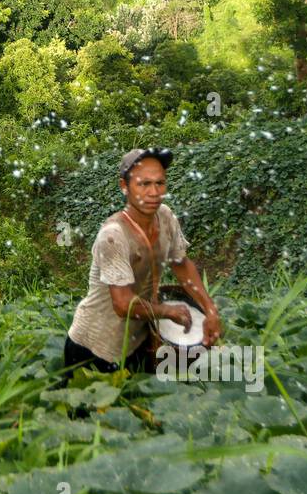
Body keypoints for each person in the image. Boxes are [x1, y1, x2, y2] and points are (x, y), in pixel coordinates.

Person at [62, 148, 223, 381]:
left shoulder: (165, 216)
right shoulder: (114, 236)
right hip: (95, 347)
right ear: (124, 187)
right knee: (87, 413)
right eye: (143, 184)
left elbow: (181, 264)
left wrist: (210, 310)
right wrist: (167, 312)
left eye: (160, 183)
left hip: (136, 340)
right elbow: (123, 304)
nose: (154, 192)